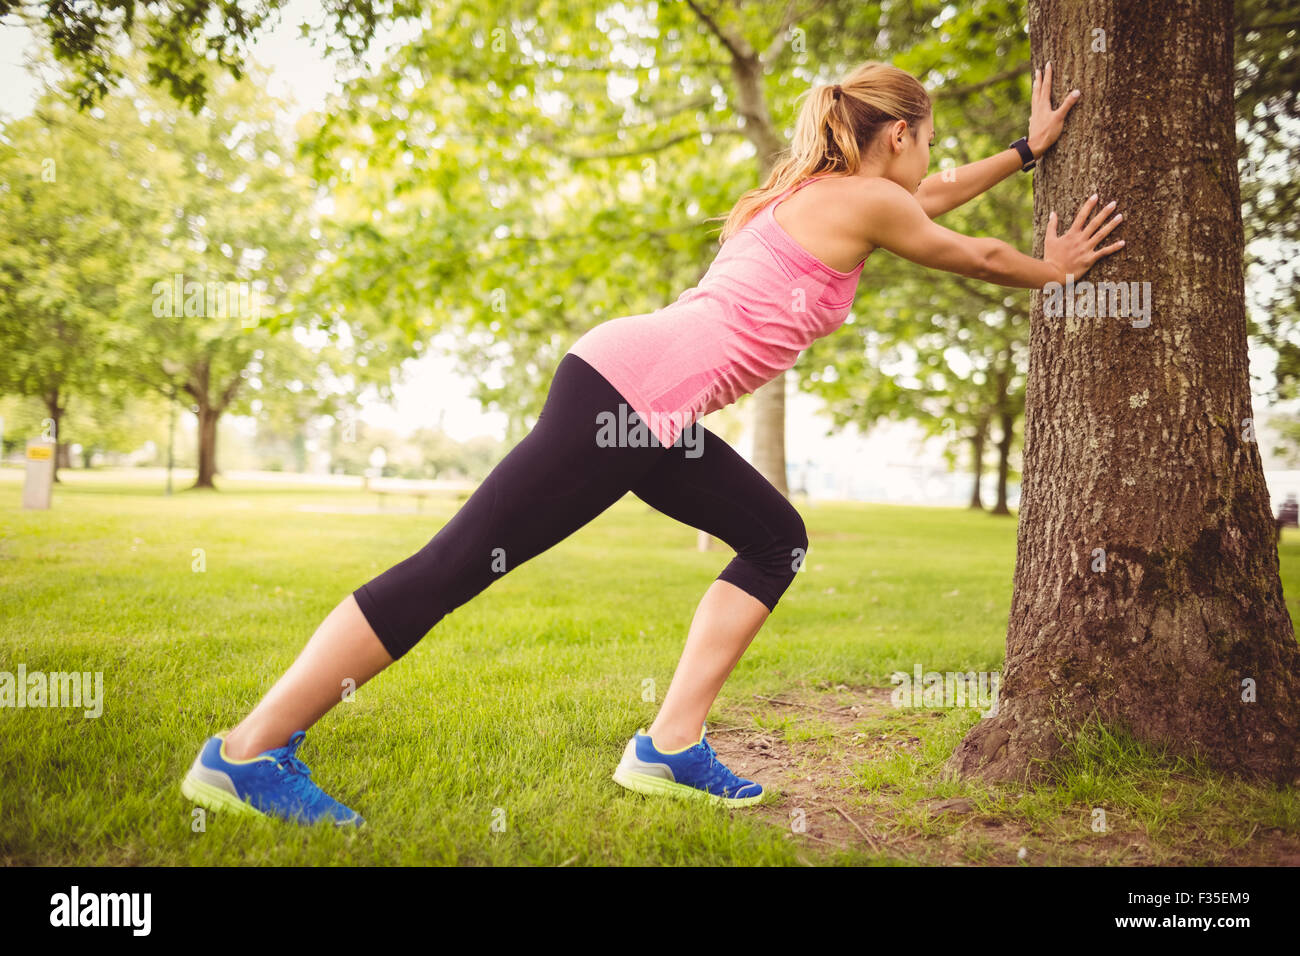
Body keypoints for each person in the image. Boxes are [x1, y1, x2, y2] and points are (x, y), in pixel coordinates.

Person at [181, 60, 1123, 825]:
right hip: (631, 399)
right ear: (898, 135)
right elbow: (979, 251)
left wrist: (1023, 152)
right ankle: (248, 752)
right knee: (454, 565)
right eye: (928, 141)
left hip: (644, 397)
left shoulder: (814, 192)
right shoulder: (866, 203)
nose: (933, 163)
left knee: (773, 537)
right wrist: (1058, 268)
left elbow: (937, 196)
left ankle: (669, 747)